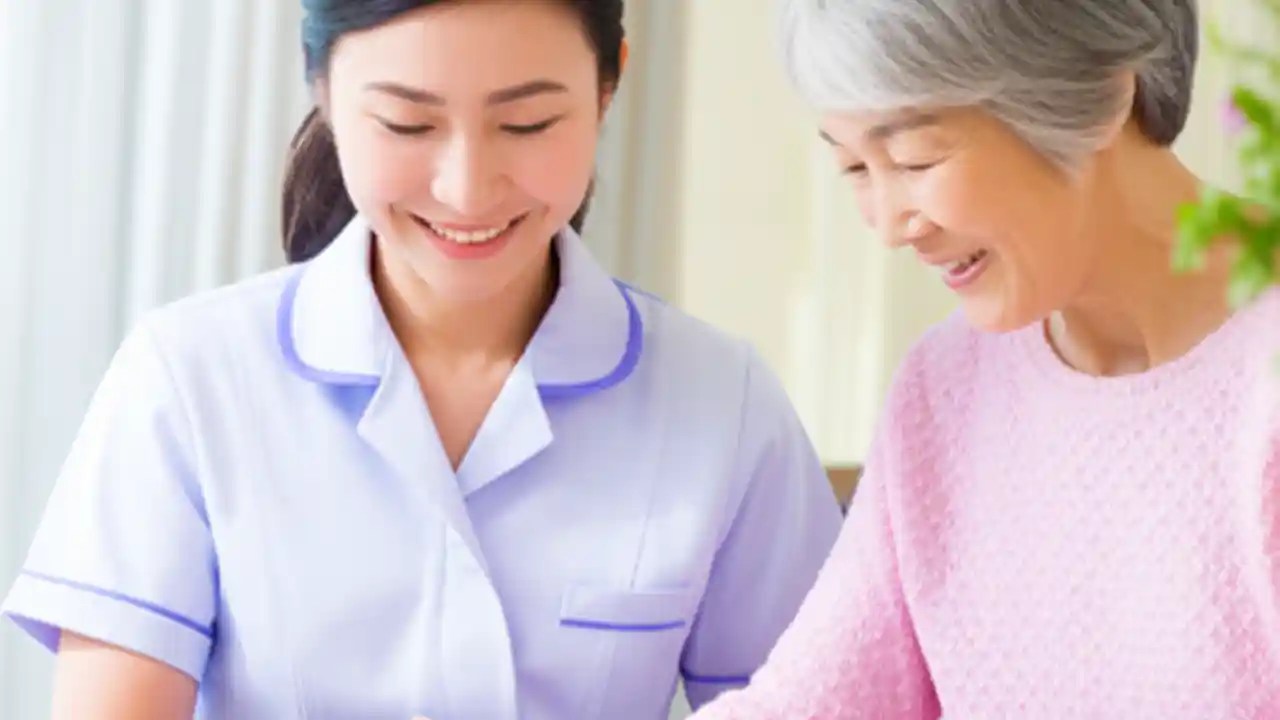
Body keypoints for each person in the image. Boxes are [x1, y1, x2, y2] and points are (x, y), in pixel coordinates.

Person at [1, 2, 842, 718]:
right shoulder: (187, 382)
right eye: (408, 123)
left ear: (610, 81)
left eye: (528, 123)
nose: (467, 188)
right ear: (323, 88)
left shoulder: (722, 404)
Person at [691, 0, 1280, 717]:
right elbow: (811, 700)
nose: (889, 224)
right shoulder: (947, 387)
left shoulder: (1262, 378)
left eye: (915, 158)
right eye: (853, 167)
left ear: (1098, 95)